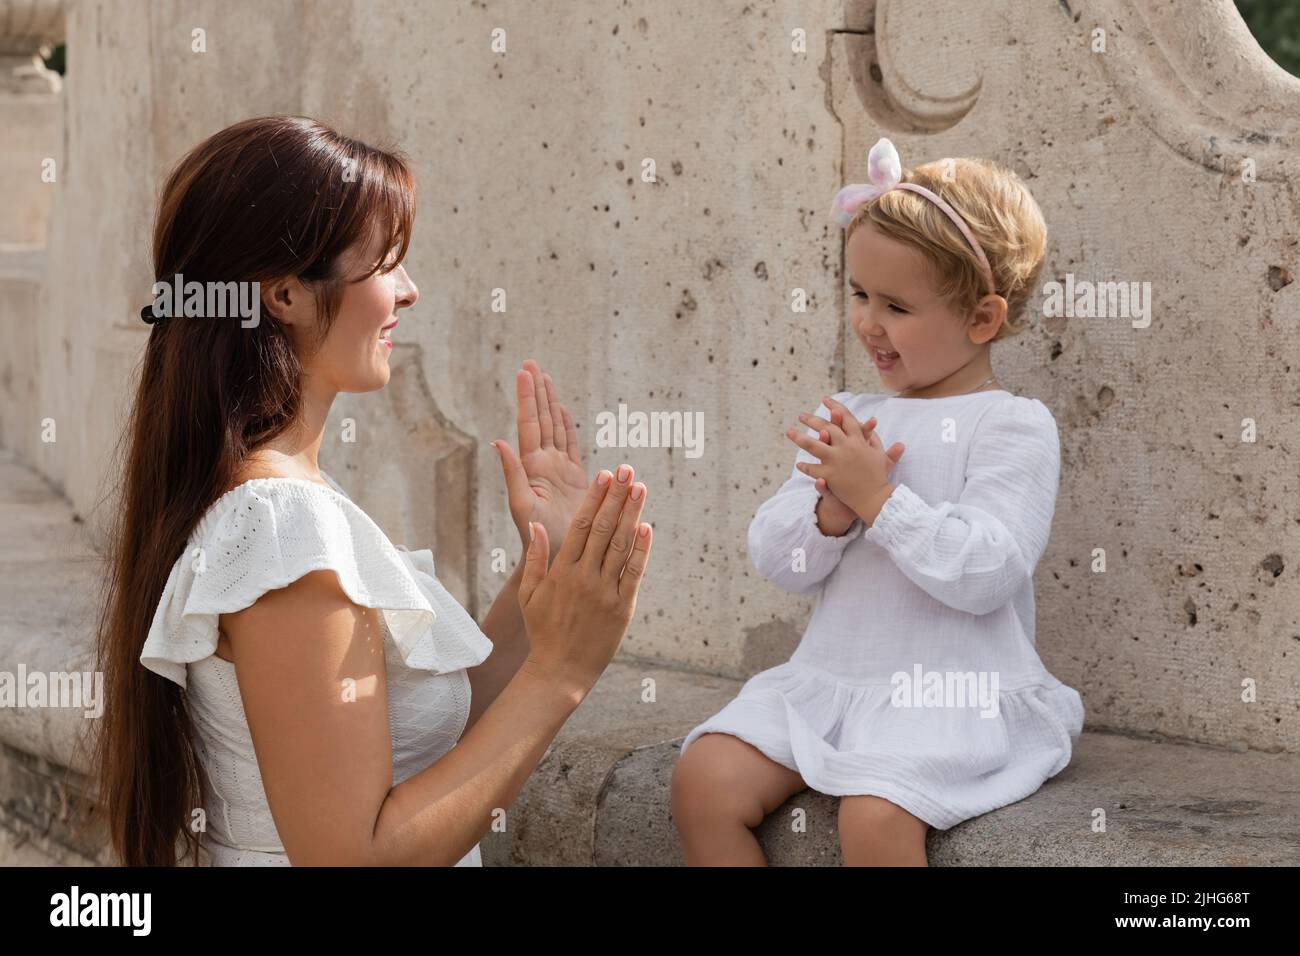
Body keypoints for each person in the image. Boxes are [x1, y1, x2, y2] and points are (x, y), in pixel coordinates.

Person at [88, 115, 652, 866]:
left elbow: (432, 741)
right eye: (386, 263)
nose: (409, 291)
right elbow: (353, 855)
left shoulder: (277, 504)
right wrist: (563, 675)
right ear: (284, 293)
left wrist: (542, 572)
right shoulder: (283, 529)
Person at [672, 137, 1083, 866]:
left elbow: (988, 571)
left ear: (982, 320)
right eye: (859, 294)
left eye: (896, 305)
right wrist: (829, 518)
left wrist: (881, 502)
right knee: (703, 780)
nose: (867, 321)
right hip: (834, 682)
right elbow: (778, 558)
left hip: (949, 695)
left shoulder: (1013, 426)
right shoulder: (852, 414)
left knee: (877, 815)